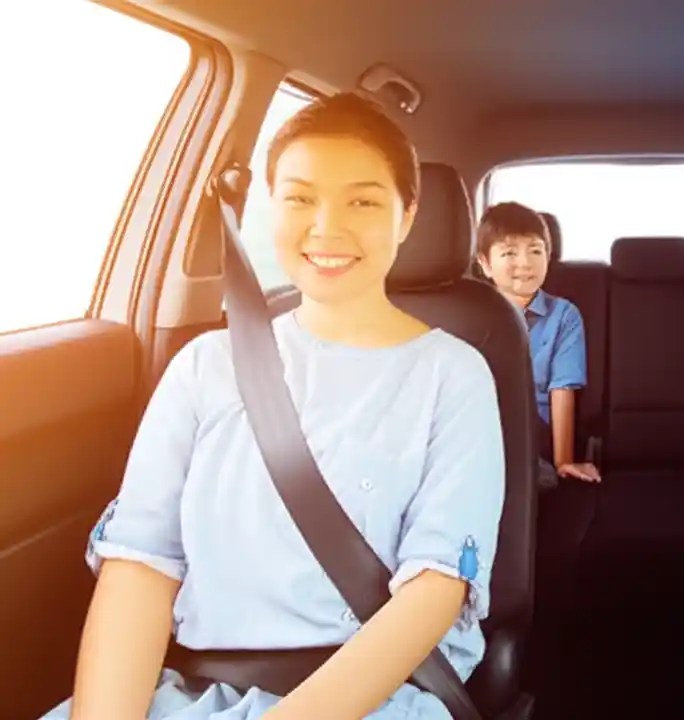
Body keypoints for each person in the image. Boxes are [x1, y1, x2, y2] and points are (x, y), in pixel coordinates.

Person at [44, 92, 505, 720]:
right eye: (299, 198)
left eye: (363, 201)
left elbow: (434, 590)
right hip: (190, 697)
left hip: (375, 697)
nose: (327, 227)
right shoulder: (206, 366)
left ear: (407, 215)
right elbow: (140, 568)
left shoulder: (454, 373)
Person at [475, 201, 602, 486]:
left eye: (535, 250)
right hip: (479, 426)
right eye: (509, 252)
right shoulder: (473, 314)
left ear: (548, 255)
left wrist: (563, 461)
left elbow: (562, 389)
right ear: (484, 263)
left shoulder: (563, 315)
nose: (524, 263)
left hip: (533, 431)